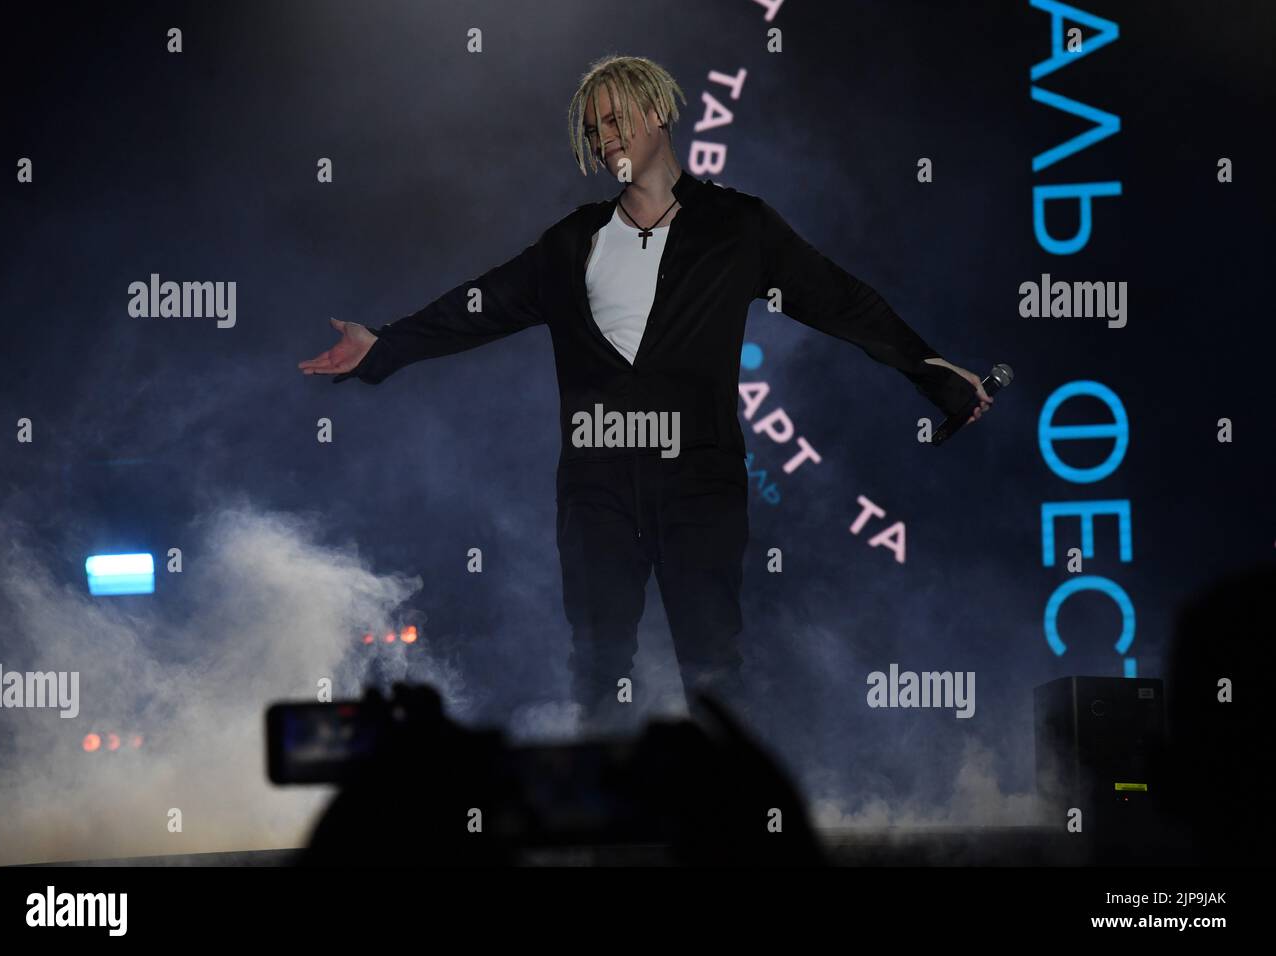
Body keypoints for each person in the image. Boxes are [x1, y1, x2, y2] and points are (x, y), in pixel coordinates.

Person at [298, 54, 993, 734]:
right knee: (599, 665)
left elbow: (844, 304)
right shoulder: (572, 243)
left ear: (657, 113)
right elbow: (475, 306)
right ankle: (605, 825)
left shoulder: (737, 226)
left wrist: (933, 371)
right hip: (596, 485)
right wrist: (381, 346)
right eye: (594, 132)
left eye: (615, 120)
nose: (606, 139)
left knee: (714, 663)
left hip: (701, 481)